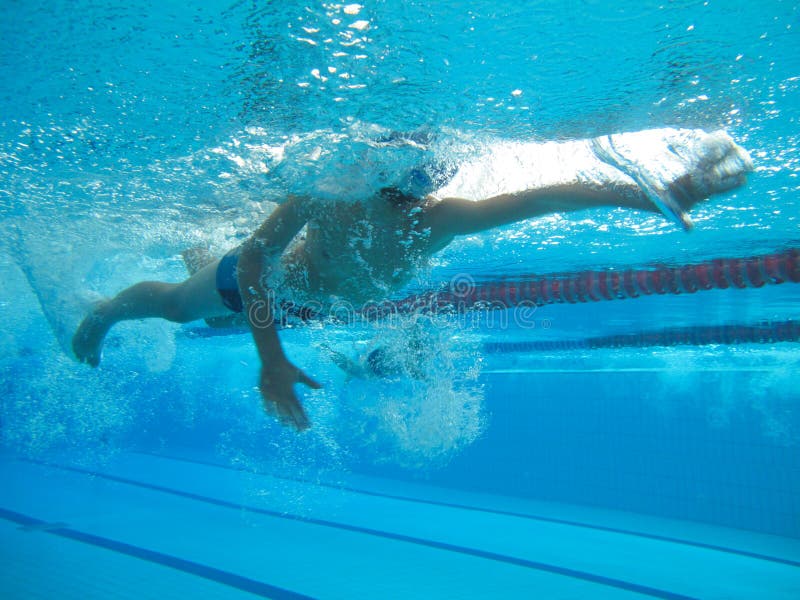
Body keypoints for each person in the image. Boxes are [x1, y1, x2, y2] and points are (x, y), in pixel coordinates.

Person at [72, 128, 753, 430]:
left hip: (311, 309)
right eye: (413, 176)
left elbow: (550, 195)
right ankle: (103, 313)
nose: (421, 191)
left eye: (430, 176)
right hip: (272, 288)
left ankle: (188, 252)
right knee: (175, 307)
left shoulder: (439, 219)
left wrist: (659, 192)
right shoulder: (332, 191)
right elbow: (255, 261)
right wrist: (271, 360)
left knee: (204, 301)